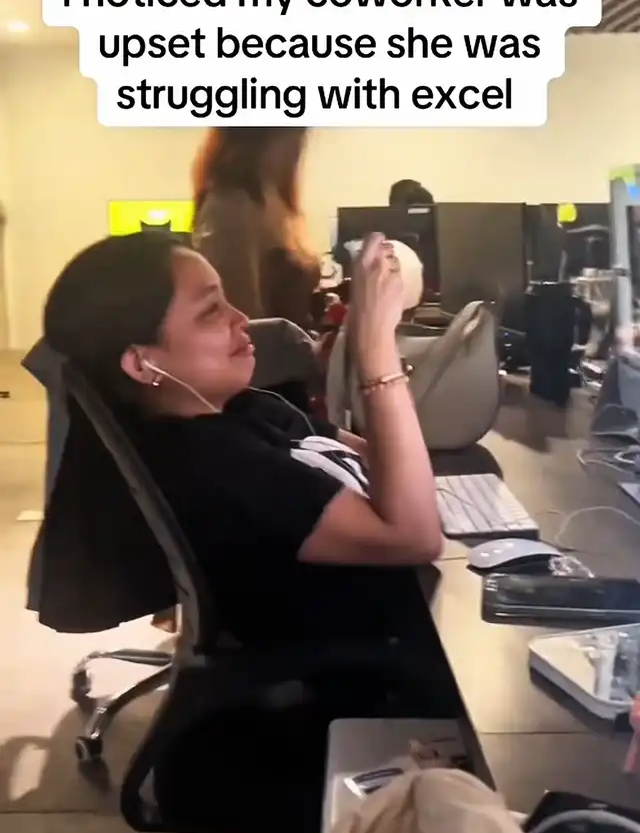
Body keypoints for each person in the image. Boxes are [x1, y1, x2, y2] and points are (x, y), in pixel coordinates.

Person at [42, 231, 444, 654]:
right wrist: (375, 347)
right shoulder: (214, 466)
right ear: (142, 364)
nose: (241, 318)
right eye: (211, 311)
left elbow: (387, 461)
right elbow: (414, 538)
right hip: (369, 663)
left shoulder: (243, 408)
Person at [191, 126, 321, 329]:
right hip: (266, 347)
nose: (297, 149)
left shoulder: (275, 198)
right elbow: (242, 315)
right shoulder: (232, 205)